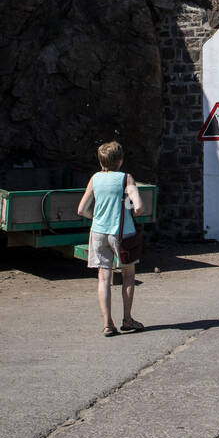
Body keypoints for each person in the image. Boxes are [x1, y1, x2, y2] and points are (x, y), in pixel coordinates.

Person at [77, 140, 145, 336]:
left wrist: (96, 217)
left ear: (101, 162)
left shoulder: (95, 178)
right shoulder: (126, 178)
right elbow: (139, 206)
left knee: (104, 277)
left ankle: (108, 324)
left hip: (98, 232)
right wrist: (133, 211)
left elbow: (81, 209)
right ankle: (128, 319)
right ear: (120, 161)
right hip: (122, 233)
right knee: (128, 276)